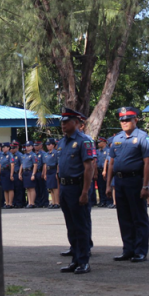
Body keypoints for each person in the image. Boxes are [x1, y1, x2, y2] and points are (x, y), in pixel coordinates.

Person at [106, 107, 149, 263]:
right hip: (119, 181)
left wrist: (145, 186)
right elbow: (111, 163)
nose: (124, 123)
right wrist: (108, 185)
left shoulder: (142, 137)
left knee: (138, 217)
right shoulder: (116, 139)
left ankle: (140, 251)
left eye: (128, 120)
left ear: (135, 120)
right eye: (122, 120)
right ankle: (128, 249)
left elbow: (148, 163)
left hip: (135, 181)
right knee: (124, 217)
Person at [56, 108, 95, 274]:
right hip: (65, 187)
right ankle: (75, 259)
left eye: (67, 121)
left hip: (78, 187)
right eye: (62, 122)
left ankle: (84, 261)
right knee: (71, 226)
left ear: (78, 123)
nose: (63, 125)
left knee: (81, 225)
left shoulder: (84, 141)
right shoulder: (62, 142)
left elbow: (89, 166)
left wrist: (85, 191)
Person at [20, 141, 39, 208]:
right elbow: (22, 165)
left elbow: (35, 165)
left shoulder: (33, 155)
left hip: (30, 171)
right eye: (26, 146)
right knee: (27, 188)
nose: (27, 147)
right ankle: (29, 202)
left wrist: (33, 174)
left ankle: (32, 203)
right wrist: (20, 173)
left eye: (28, 146)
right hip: (25, 172)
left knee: (32, 188)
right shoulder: (24, 155)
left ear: (32, 147)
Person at [43, 139, 60, 209]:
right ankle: (53, 202)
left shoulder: (56, 153)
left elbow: (58, 163)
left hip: (54, 170)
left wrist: (57, 172)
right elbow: (45, 164)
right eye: (47, 145)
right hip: (48, 171)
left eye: (49, 144)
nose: (48, 146)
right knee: (51, 188)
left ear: (53, 145)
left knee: (55, 187)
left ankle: (57, 202)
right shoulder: (46, 154)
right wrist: (44, 174)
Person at [0, 142, 15, 208]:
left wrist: (11, 175)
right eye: (2, 147)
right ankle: (7, 203)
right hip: (2, 171)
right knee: (5, 189)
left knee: (10, 188)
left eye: (5, 147)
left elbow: (12, 164)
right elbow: (0, 165)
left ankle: (10, 203)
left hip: (8, 171)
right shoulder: (1, 155)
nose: (3, 148)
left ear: (8, 148)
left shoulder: (10, 155)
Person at [33, 141, 49, 207]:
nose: (36, 146)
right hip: (35, 172)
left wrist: (43, 172)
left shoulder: (43, 154)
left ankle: (45, 202)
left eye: (37, 145)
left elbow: (45, 164)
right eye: (35, 145)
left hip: (40, 172)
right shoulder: (33, 154)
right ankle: (38, 202)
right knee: (36, 188)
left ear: (41, 146)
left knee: (43, 188)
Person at [95, 137, 110, 207]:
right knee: (100, 186)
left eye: (99, 142)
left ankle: (108, 201)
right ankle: (102, 201)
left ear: (103, 143)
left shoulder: (108, 151)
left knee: (107, 185)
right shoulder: (97, 151)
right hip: (99, 170)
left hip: (106, 171)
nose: (98, 144)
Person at [11, 141, 26, 207]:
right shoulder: (11, 155)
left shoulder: (20, 155)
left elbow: (22, 165)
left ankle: (19, 203)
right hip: (12, 174)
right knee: (13, 189)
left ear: (17, 147)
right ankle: (14, 202)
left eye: (13, 147)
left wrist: (20, 174)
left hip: (17, 173)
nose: (12, 149)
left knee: (19, 189)